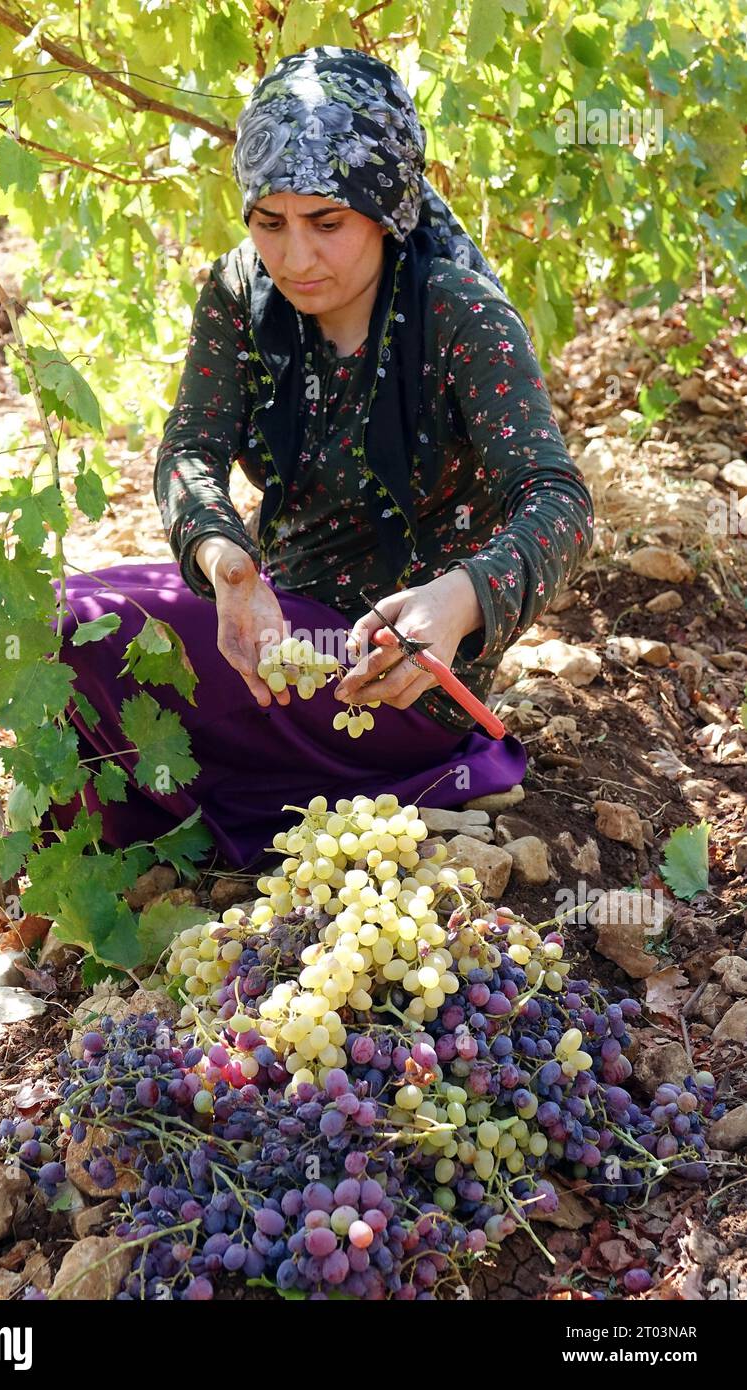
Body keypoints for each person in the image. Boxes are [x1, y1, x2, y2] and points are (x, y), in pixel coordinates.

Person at [50, 47, 594, 870]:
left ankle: (159, 840)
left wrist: (458, 601)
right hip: (279, 633)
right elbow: (190, 446)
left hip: (394, 678)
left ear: (388, 209)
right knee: (69, 607)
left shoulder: (458, 316)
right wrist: (225, 559)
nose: (296, 258)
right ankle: (131, 855)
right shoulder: (243, 292)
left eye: (327, 222)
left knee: (85, 629)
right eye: (270, 222)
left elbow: (559, 500)